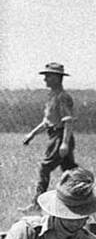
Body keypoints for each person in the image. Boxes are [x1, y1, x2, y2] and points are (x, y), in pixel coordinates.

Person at [25, 62, 77, 209]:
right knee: (70, 171)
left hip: (59, 137)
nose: (45, 79)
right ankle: (79, 198)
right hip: (55, 135)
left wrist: (65, 143)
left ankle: (36, 204)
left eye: (48, 76)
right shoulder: (52, 97)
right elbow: (47, 122)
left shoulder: (62, 97)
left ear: (56, 78)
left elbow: (68, 121)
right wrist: (32, 135)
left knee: (44, 168)